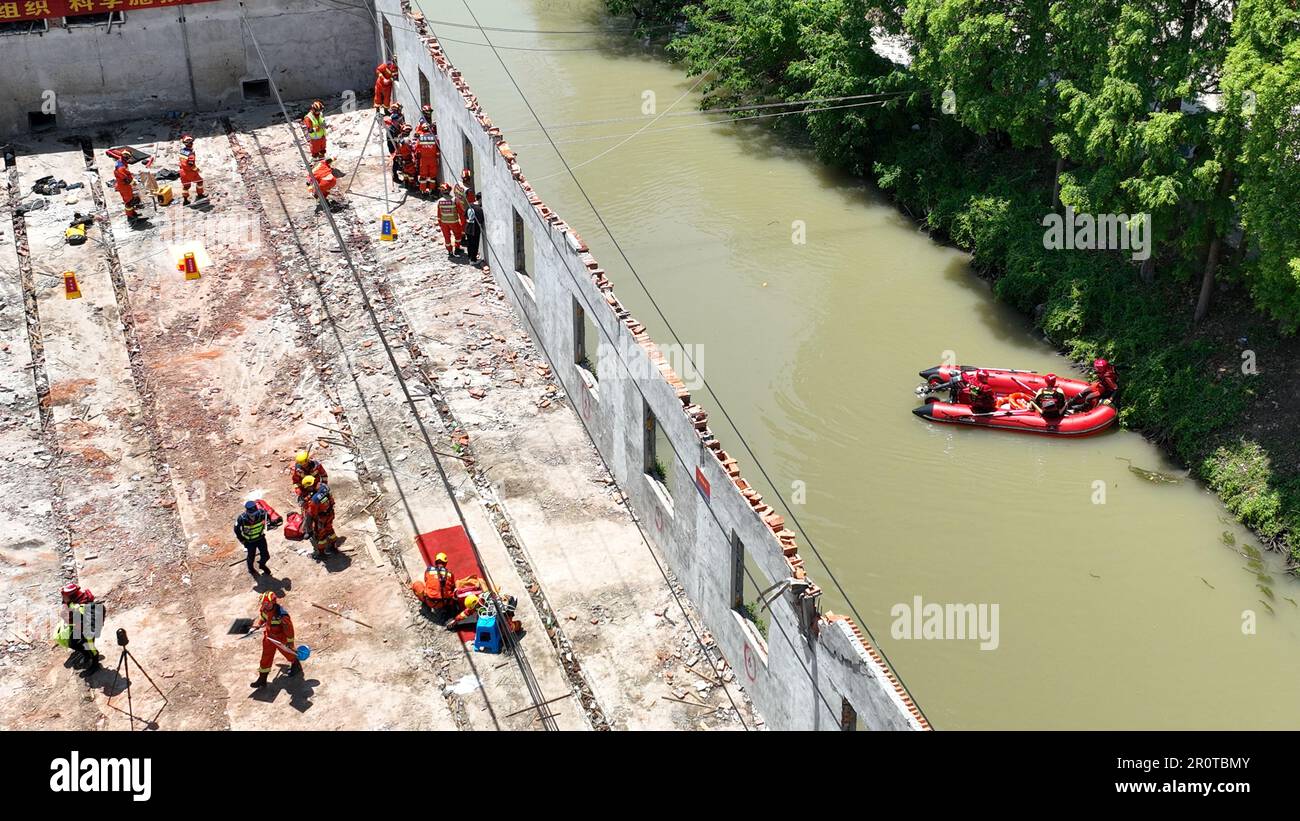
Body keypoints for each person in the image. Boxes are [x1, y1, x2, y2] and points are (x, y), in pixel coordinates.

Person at [250, 592, 301, 688]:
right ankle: (262, 679)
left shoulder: (281, 615)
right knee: (265, 657)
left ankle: (296, 664)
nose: (265, 605)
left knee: (288, 653)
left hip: (281, 638)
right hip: (269, 636)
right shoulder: (264, 609)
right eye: (263, 603)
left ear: (273, 602)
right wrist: (259, 624)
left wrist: (290, 643)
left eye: (267, 603)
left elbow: (289, 629)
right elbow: (263, 618)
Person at [57, 583, 103, 673]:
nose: (63, 598)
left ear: (72, 596)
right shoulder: (73, 601)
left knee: (90, 647)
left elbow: (87, 621)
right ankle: (86, 655)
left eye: (65, 596)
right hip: (78, 627)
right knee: (73, 643)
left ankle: (95, 664)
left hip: (87, 629)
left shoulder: (82, 606)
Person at [234, 501, 271, 577]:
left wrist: (268, 523)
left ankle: (262, 565)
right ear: (247, 512)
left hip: (260, 538)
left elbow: (269, 518)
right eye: (251, 514)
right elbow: (236, 529)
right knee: (251, 556)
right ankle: (251, 569)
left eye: (255, 513)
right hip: (249, 541)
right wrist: (242, 540)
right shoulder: (242, 518)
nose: (253, 516)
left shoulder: (262, 514)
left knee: (266, 556)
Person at [304, 480, 338, 559]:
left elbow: (312, 514)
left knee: (320, 535)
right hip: (330, 513)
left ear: (310, 486)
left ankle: (321, 554)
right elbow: (330, 499)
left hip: (322, 518)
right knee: (330, 530)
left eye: (308, 488)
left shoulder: (314, 500)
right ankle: (334, 547)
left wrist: (309, 529)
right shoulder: (324, 487)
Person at [113, 154, 144, 223]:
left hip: (125, 186)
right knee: (129, 202)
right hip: (124, 187)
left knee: (131, 200)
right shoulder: (121, 168)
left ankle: (132, 213)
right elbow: (126, 179)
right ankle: (130, 216)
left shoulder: (121, 162)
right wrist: (133, 183)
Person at [178, 134, 206, 205]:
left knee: (186, 186)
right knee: (200, 181)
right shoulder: (191, 154)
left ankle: (185, 200)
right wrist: (197, 169)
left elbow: (181, 162)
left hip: (182, 172)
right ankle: (200, 195)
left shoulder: (182, 151)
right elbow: (191, 165)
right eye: (191, 142)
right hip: (190, 172)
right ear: (191, 144)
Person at [436, 184, 463, 256]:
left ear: (442, 191)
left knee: (447, 237)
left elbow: (439, 215)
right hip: (454, 222)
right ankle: (457, 249)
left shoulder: (439, 201)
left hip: (444, 223)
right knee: (458, 235)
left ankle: (450, 251)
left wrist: (440, 223)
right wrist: (462, 222)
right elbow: (460, 212)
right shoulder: (455, 200)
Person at [415, 123, 440, 194]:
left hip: (424, 160)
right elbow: (438, 149)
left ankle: (423, 191)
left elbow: (417, 149)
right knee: (432, 176)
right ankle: (431, 191)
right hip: (433, 159)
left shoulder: (421, 138)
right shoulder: (434, 137)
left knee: (423, 176)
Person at [463, 192, 484, 265]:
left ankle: (470, 257)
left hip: (468, 228)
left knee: (469, 244)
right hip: (475, 230)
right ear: (481, 199)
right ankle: (473, 260)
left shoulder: (469, 205)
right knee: (475, 245)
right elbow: (481, 221)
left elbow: (465, 215)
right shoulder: (479, 210)